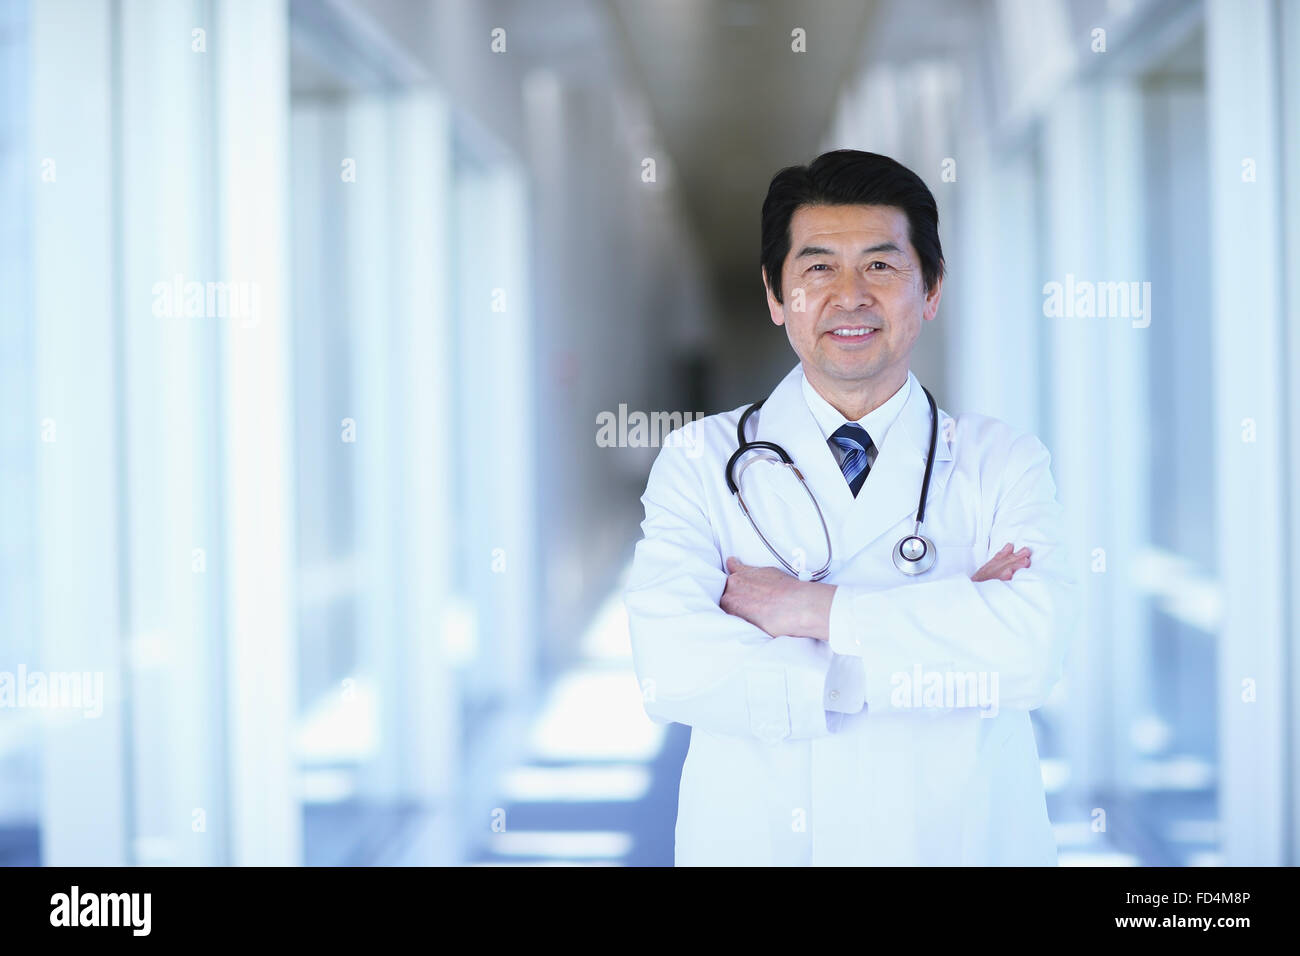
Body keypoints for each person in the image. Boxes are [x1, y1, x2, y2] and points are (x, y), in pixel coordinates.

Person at [624, 149, 1077, 866]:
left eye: (881, 265)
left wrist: (813, 612)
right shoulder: (698, 461)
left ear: (929, 290)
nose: (850, 295)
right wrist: (941, 640)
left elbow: (1032, 653)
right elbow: (673, 669)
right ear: (777, 297)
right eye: (817, 268)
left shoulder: (1003, 461)